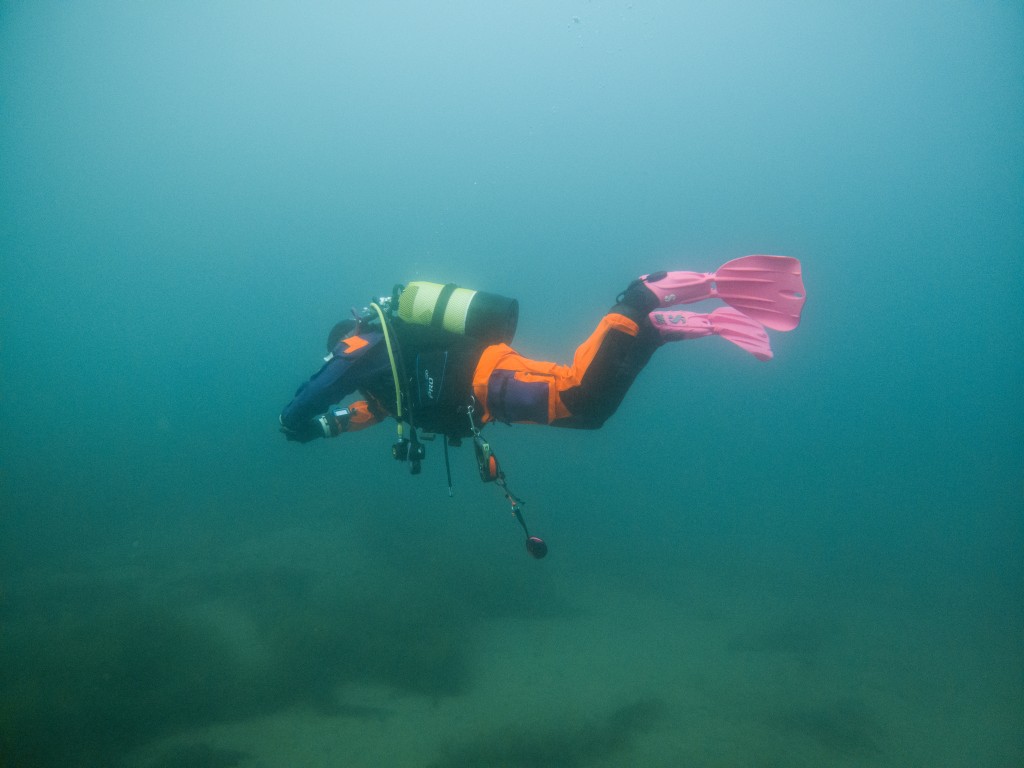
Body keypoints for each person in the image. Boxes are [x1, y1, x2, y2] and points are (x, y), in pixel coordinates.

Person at [280, 255, 805, 447]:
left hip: (484, 378)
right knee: (590, 414)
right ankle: (658, 329)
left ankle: (639, 297)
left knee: (577, 392)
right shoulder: (385, 386)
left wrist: (292, 416)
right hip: (484, 398)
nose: (343, 363)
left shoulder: (366, 344)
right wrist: (320, 431)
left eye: (341, 355)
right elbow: (358, 412)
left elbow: (327, 383)